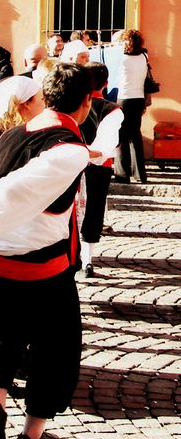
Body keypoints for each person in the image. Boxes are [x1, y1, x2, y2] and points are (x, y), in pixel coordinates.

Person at [0, 63, 94, 439]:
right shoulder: (69, 148)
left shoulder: (11, 133)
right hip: (40, 263)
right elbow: (17, 190)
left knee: (2, 333)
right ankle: (32, 436)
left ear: (45, 98)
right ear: (86, 102)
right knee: (56, 347)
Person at [78, 62, 123, 277]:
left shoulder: (73, 104)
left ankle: (72, 254)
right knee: (94, 210)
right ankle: (87, 258)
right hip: (100, 164)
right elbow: (114, 143)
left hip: (73, 162)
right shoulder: (111, 109)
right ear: (106, 83)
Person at [112, 29, 150, 184]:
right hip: (139, 98)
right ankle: (140, 174)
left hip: (123, 98)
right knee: (135, 136)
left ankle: (122, 174)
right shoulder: (144, 56)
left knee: (120, 137)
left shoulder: (120, 58)